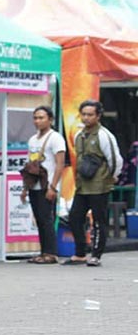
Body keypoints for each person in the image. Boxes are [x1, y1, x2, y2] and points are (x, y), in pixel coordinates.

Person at [66, 99, 123, 267]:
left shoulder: (104, 135)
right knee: (75, 217)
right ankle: (80, 253)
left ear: (98, 116)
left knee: (99, 220)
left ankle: (96, 255)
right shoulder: (78, 135)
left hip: (99, 185)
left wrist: (112, 176)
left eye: (90, 115)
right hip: (82, 185)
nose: (86, 118)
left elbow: (115, 159)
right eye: (83, 114)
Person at [22, 106, 66, 265]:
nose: (38, 121)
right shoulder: (32, 139)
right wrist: (25, 188)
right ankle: (43, 251)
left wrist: (53, 187)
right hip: (34, 184)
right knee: (39, 219)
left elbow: (60, 164)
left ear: (50, 119)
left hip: (47, 185)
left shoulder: (56, 138)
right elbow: (30, 165)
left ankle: (51, 253)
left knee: (47, 219)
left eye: (41, 118)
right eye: (35, 118)